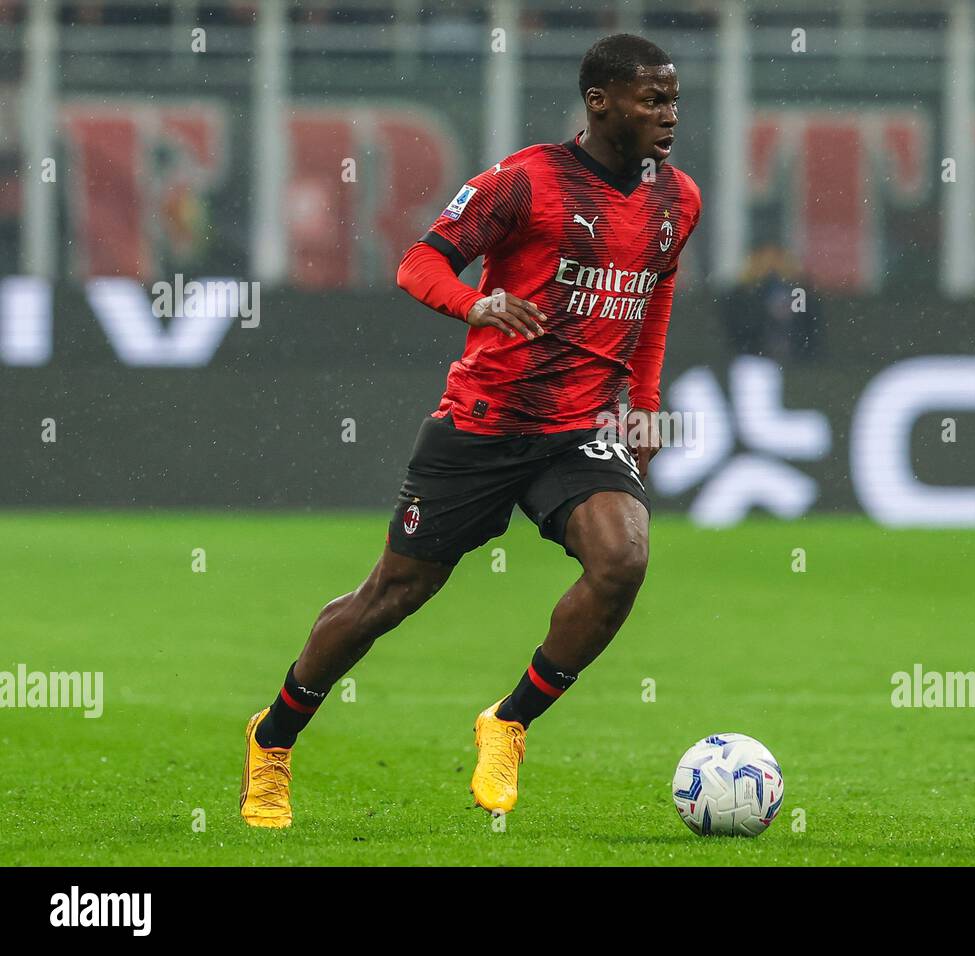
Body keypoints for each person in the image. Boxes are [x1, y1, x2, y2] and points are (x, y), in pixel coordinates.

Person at [240, 33, 702, 827]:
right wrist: (476, 303)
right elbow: (419, 263)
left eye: (673, 100)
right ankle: (274, 740)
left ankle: (510, 721)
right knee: (391, 596)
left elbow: (654, 300)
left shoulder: (677, 199)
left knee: (622, 559)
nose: (669, 115)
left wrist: (647, 400)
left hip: (579, 427)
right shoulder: (525, 182)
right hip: (483, 424)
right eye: (652, 100)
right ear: (600, 103)